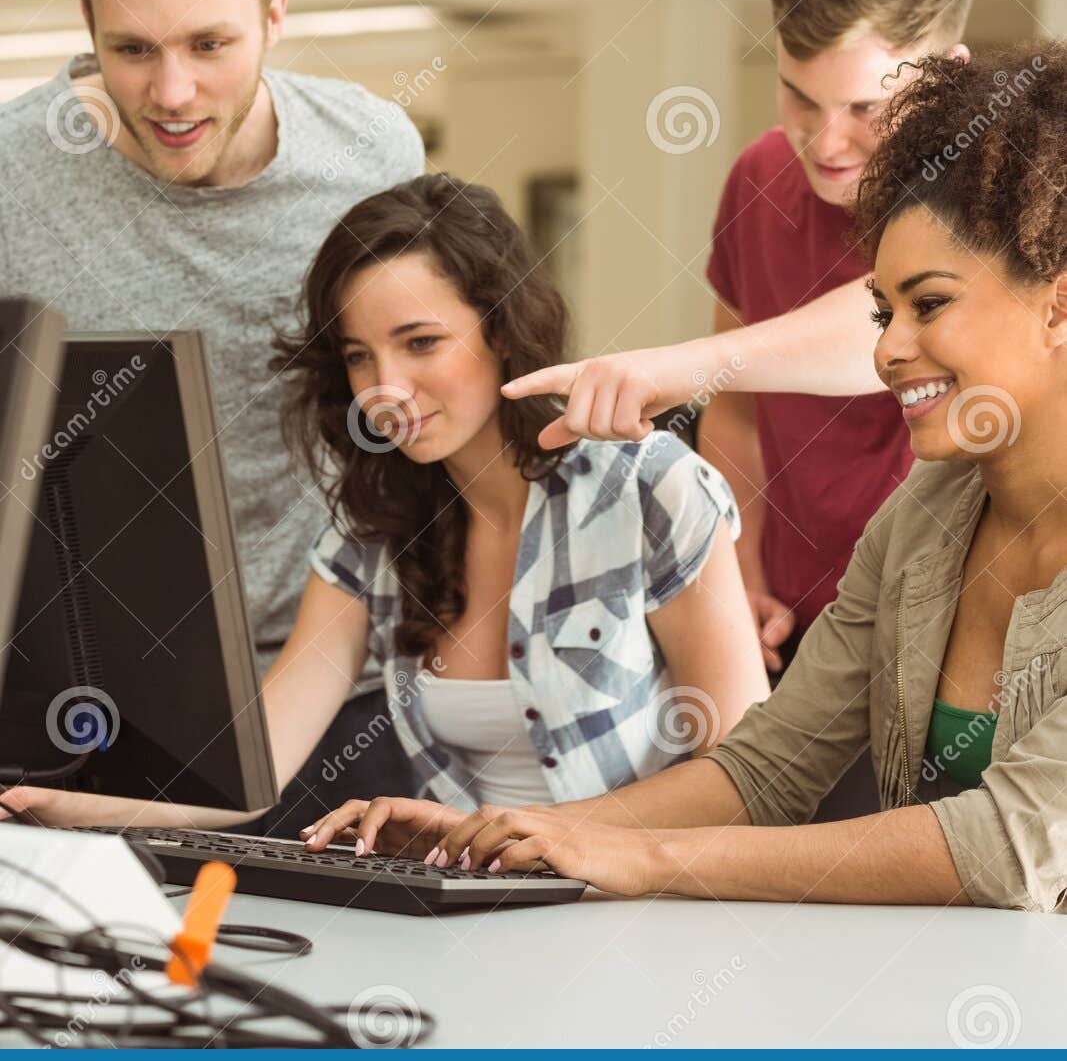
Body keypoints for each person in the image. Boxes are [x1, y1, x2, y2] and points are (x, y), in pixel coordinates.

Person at [311, 45, 1067, 914]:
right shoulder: (920, 520)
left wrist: (642, 856)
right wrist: (507, 837)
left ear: (1055, 302)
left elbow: (1011, 846)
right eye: (882, 311)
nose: (888, 349)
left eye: (927, 304)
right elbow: (765, 768)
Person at [0, 176, 768, 837]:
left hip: (646, 909)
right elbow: (250, 772)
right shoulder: (372, 532)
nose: (385, 390)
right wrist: (69, 809)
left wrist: (540, 837)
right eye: (359, 356)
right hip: (472, 916)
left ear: (503, 331)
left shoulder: (649, 486)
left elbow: (747, 774)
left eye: (421, 343)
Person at [0, 0, 424, 814]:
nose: (173, 93)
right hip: (78, 704)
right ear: (87, 30)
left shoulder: (370, 155)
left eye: (208, 45)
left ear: (275, 13)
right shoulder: (12, 175)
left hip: (332, 690)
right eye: (132, 50)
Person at [497, 0, 971, 677]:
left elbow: (883, 321)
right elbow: (738, 407)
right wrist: (740, 572)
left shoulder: (990, 187)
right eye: (799, 97)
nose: (826, 141)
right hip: (795, 617)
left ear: (948, 75)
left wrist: (672, 367)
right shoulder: (760, 177)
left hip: (949, 620)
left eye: (865, 108)